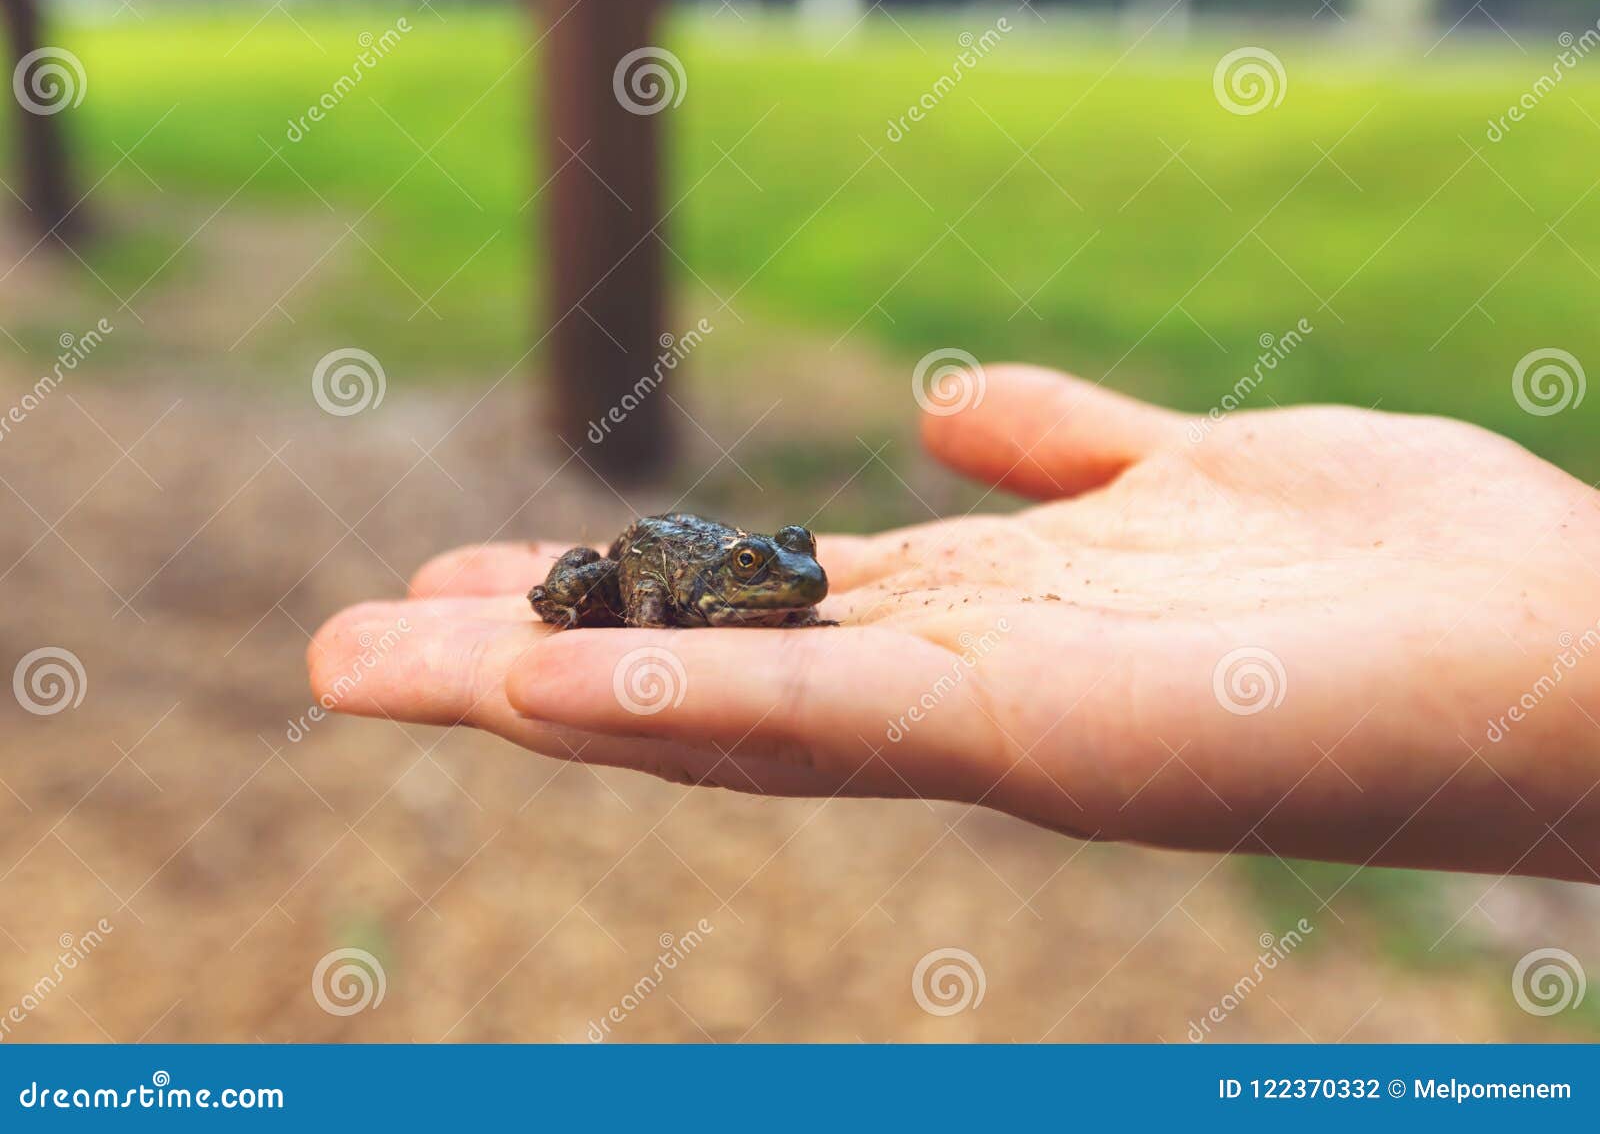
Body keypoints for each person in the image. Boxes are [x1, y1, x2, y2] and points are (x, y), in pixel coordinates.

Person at [308, 364, 1600, 884]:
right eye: (774, 574)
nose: (796, 588)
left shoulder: (770, 587)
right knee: (573, 591)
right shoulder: (693, 589)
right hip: (642, 560)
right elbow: (649, 582)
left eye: (791, 570)